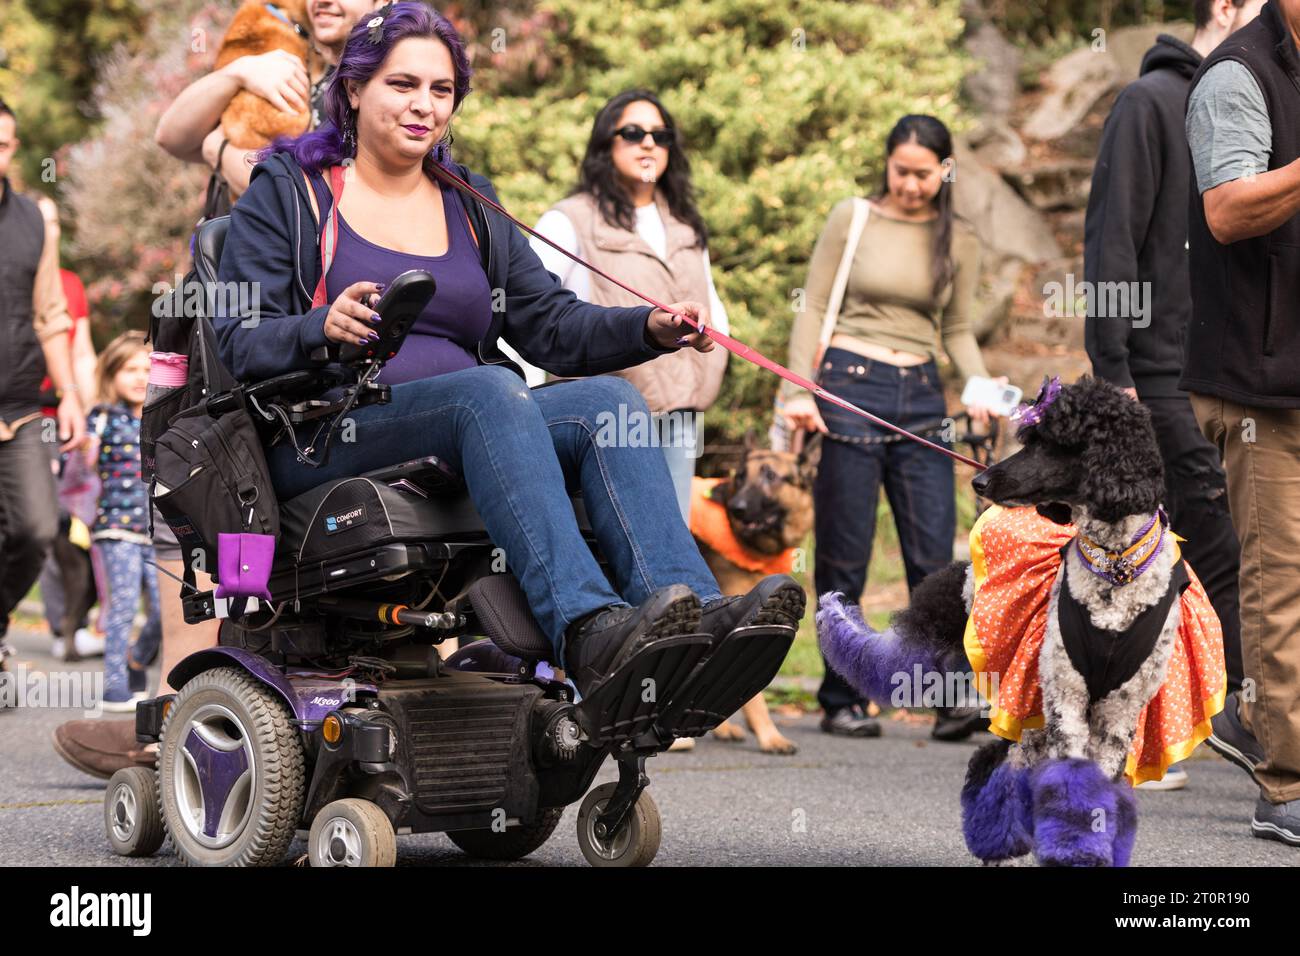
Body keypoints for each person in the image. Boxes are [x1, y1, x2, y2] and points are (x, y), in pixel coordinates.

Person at [211, 2, 801, 702]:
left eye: (441, 90)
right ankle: (589, 627)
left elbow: (551, 326)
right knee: (489, 390)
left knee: (606, 401)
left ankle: (690, 629)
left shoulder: (469, 204)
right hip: (322, 434)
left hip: (470, 426)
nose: (423, 105)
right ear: (353, 89)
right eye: (402, 85)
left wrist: (648, 327)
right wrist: (319, 328)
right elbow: (239, 339)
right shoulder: (291, 194)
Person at [52, 0, 385, 776]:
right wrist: (234, 85)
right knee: (193, 506)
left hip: (313, 337)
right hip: (220, 326)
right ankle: (178, 716)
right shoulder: (272, 58)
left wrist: (253, 165)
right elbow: (172, 134)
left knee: (258, 516)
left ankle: (251, 717)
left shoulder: (389, 79)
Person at [781, 115, 1003, 739]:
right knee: (845, 553)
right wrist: (800, 388)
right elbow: (815, 305)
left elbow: (956, 328)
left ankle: (948, 697)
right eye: (900, 170)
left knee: (934, 555)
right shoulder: (852, 219)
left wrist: (980, 385)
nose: (909, 184)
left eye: (923, 174)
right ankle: (840, 696)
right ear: (886, 164)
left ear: (945, 171)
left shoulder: (956, 236)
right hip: (850, 384)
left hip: (924, 394)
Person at [1083, 0, 1258, 791]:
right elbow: (1112, 238)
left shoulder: (1244, 101)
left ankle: (1171, 729)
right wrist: (1112, 368)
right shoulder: (1149, 102)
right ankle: (1245, 722)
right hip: (1154, 373)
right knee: (1209, 546)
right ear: (1225, 7)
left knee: (1186, 557)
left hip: (1227, 370)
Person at [1182, 0, 1300, 846]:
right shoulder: (1236, 74)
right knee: (1281, 585)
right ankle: (1286, 785)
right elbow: (1227, 209)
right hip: (1259, 386)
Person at [525, 89, 729, 522]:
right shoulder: (568, 220)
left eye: (661, 134)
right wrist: (519, 409)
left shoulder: (685, 222)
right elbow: (525, 313)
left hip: (682, 417)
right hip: (607, 419)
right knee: (614, 537)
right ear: (606, 143)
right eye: (633, 133)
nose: (649, 144)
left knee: (673, 534)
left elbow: (711, 301)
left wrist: (711, 367)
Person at [0, 96, 85, 682]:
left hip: (25, 408)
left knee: (35, 528)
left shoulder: (35, 218)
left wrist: (74, 395)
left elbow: (51, 313)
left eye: (4, 143)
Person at [154, 0, 383, 198]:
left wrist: (220, 150)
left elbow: (309, 200)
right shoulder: (287, 65)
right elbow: (171, 137)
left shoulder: (382, 81)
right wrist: (237, 73)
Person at [84, 332, 162, 711]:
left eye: (147, 369)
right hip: (116, 528)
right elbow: (80, 460)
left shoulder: (163, 418)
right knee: (124, 606)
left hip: (157, 530)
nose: (139, 377)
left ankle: (137, 659)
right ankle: (115, 686)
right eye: (129, 369)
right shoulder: (101, 418)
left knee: (164, 613)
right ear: (112, 375)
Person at [39, 262, 104, 662]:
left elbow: (81, 352)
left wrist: (90, 412)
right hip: (27, 417)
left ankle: (74, 621)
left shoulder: (69, 284)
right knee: (45, 528)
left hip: (65, 419)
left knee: (73, 528)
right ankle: (60, 621)